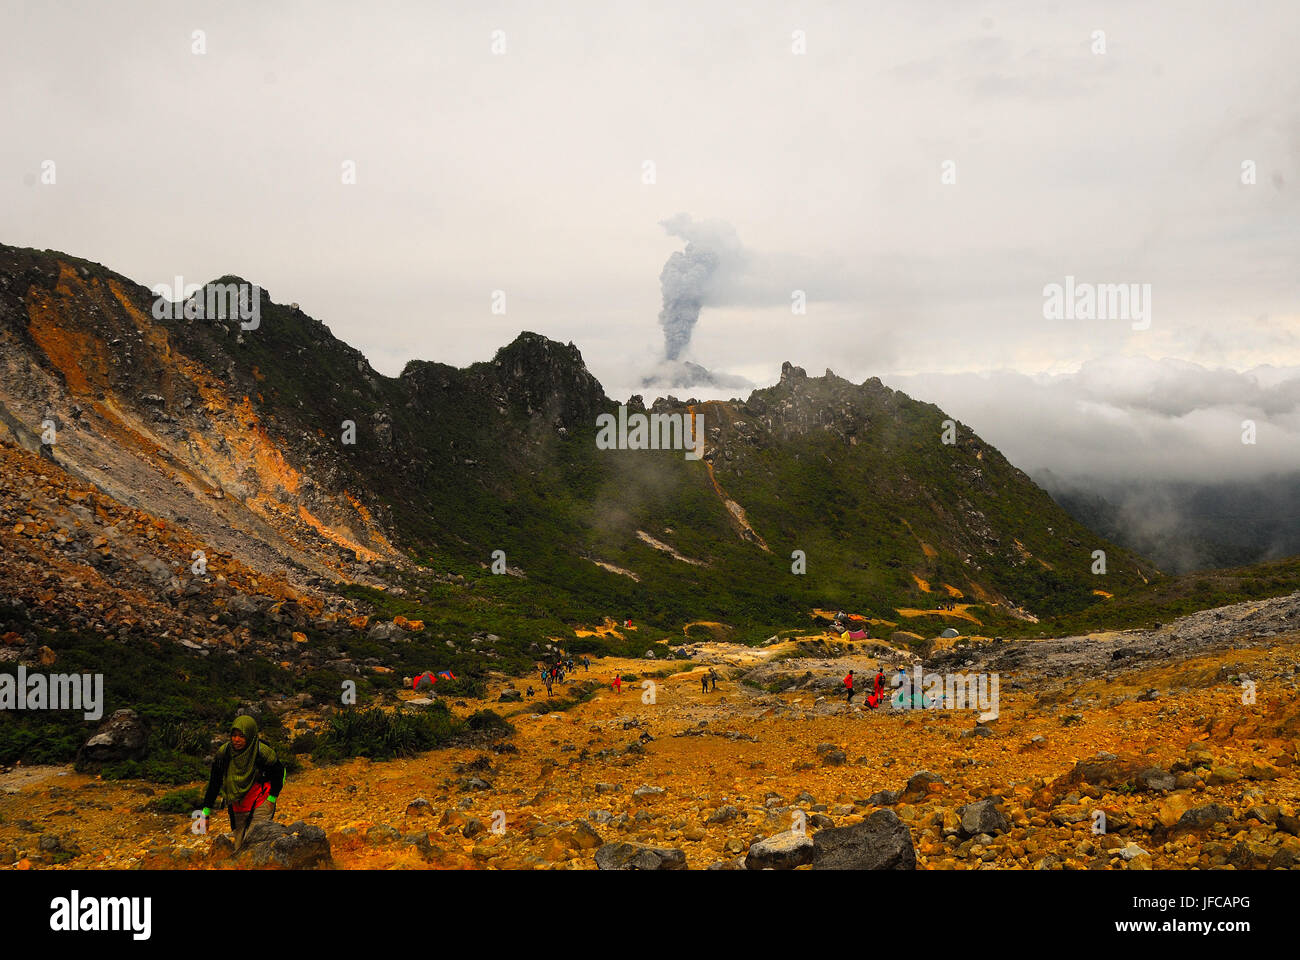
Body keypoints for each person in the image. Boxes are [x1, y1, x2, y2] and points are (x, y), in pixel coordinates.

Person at [200, 715, 285, 852]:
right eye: (234, 735)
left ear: (250, 736)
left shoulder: (262, 753)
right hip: (238, 806)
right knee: (239, 849)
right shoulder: (225, 753)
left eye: (242, 736)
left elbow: (280, 772)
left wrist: (272, 797)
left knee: (254, 847)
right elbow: (215, 782)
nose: (236, 740)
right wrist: (205, 812)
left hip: (261, 802)